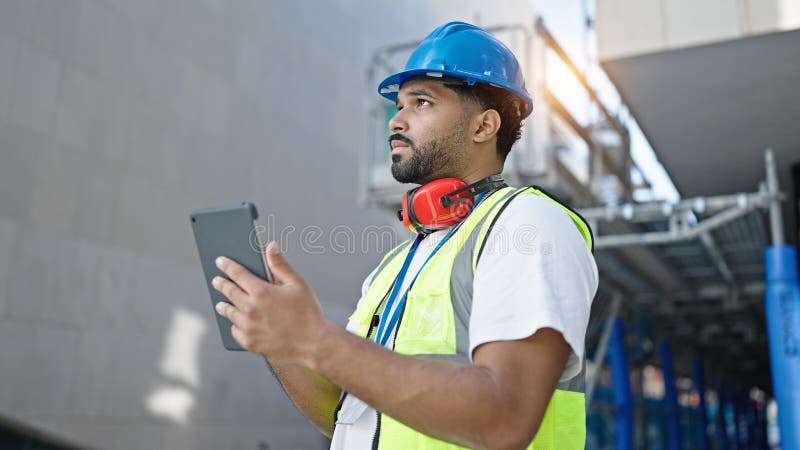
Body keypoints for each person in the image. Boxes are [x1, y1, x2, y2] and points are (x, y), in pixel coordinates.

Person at [212, 21, 598, 450]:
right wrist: (280, 340)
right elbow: (343, 418)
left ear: (484, 126)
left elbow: (504, 418)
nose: (395, 120)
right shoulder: (395, 265)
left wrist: (314, 338)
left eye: (422, 102)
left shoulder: (527, 224)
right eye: (398, 105)